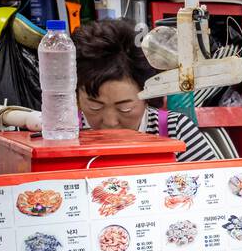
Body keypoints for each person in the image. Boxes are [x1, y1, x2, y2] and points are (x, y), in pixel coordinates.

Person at [70, 18, 218, 162]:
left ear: (149, 98)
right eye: (94, 106)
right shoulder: (64, 133)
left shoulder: (175, 130)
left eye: (124, 108)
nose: (110, 122)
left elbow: (214, 183)